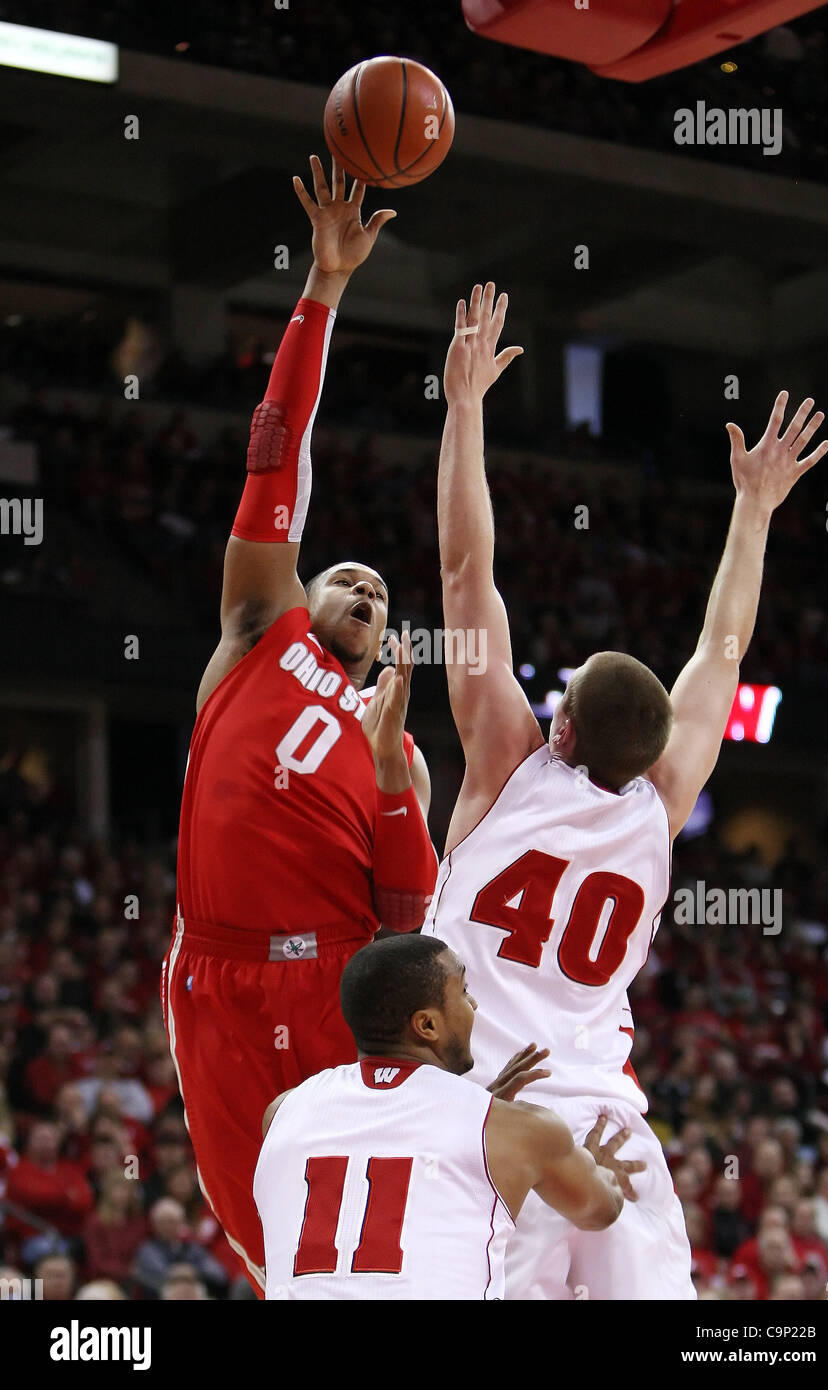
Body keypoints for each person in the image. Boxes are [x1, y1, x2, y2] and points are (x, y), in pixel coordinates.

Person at [423, 280, 828, 1299]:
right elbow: (723, 646)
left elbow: (465, 572)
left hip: (493, 1115)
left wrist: (465, 408)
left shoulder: (506, 762)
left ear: (558, 719)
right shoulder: (665, 796)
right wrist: (751, 508)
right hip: (609, 1122)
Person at [163, 156, 438, 1293]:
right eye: (347, 575)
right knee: (264, 1250)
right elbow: (275, 450)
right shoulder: (254, 633)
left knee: (340, 1261)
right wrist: (322, 287)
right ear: (298, 592)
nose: (366, 592)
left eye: (381, 595)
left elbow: (405, 914)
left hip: (335, 982)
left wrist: (386, 778)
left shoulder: (401, 743)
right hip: (215, 975)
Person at [254, 935, 635, 1300]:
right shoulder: (518, 1130)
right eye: (464, 991)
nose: (474, 1006)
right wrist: (602, 1171)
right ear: (427, 1025)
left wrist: (477, 1109)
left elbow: (377, 1149)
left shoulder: (283, 1111)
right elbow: (599, 1209)